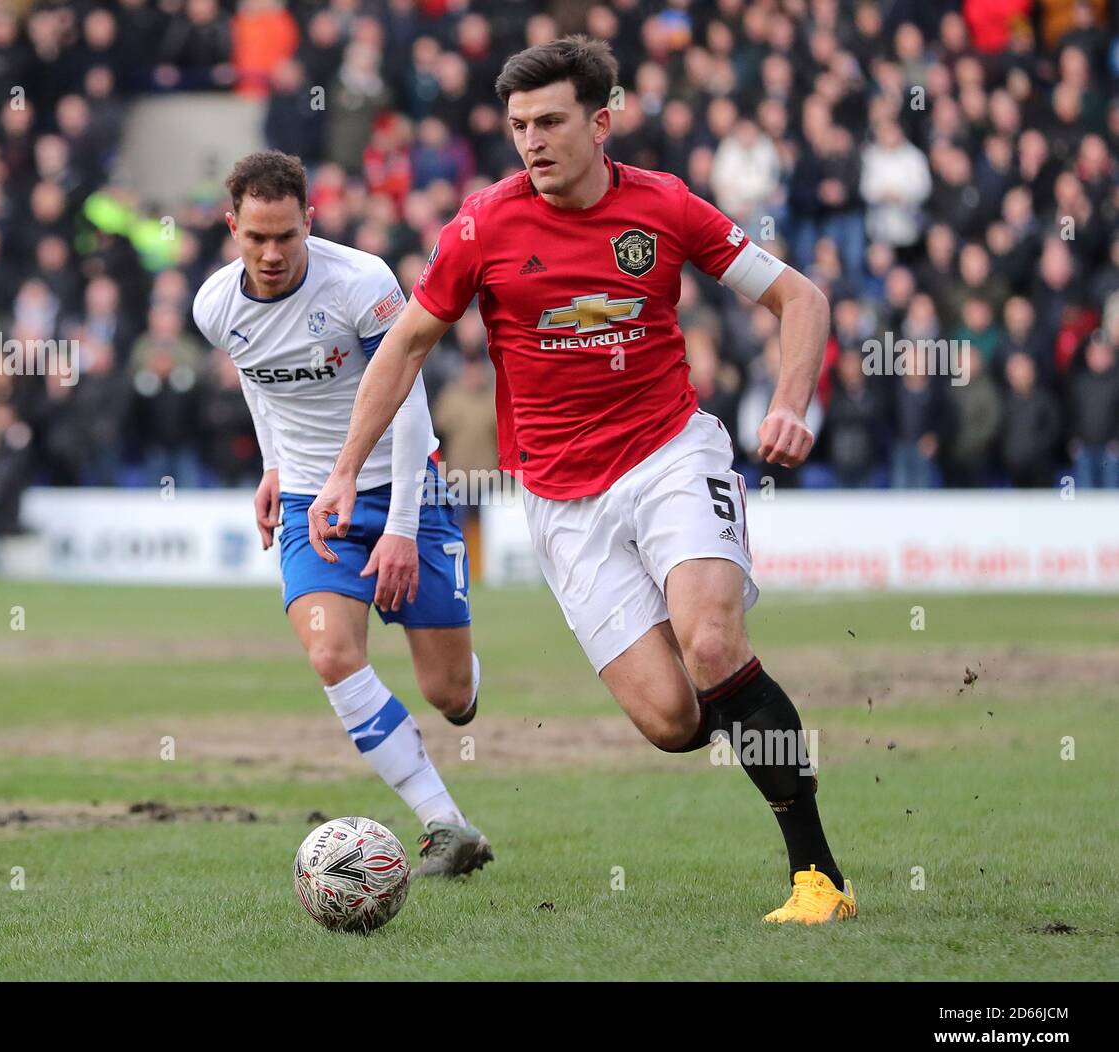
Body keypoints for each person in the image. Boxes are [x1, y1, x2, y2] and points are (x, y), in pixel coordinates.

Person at [308, 37, 855, 923]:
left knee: (712, 643)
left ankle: (818, 877)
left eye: (552, 121)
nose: (532, 140)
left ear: (602, 122)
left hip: (672, 452)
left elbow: (802, 298)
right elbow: (405, 343)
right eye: (519, 124)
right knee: (675, 720)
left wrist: (794, 401)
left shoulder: (666, 206)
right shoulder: (484, 225)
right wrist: (341, 473)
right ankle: (758, 713)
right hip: (563, 499)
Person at [191, 151, 491, 878]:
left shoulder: (361, 283)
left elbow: (412, 404)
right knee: (330, 653)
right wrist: (272, 465)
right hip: (310, 502)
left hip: (402, 492)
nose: (269, 253)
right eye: (254, 236)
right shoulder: (212, 306)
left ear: (309, 223)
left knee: (450, 696)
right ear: (232, 225)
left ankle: (460, 677)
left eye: (285, 237)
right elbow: (263, 386)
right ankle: (445, 823)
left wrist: (399, 529)